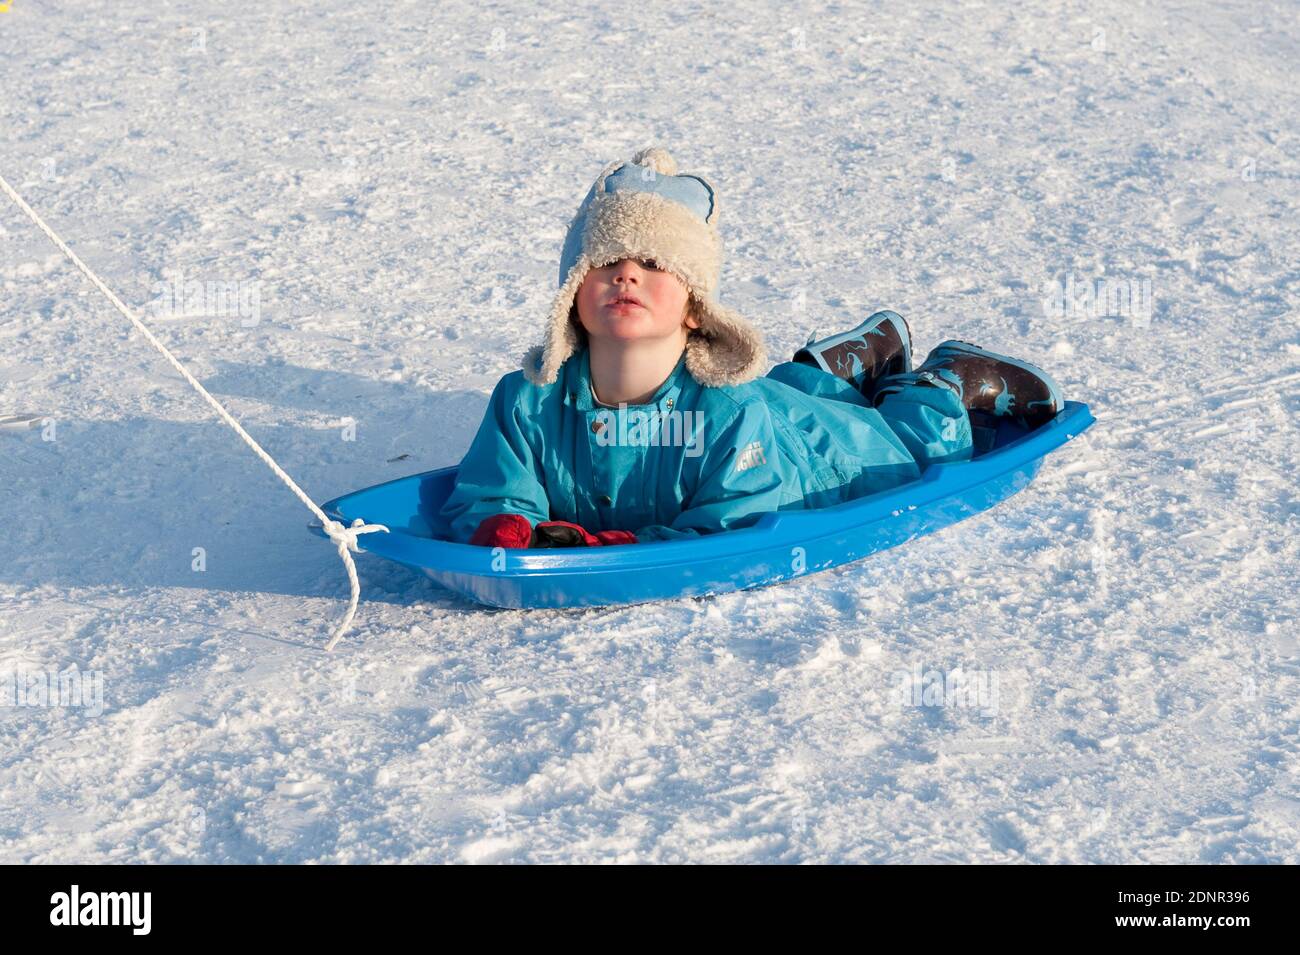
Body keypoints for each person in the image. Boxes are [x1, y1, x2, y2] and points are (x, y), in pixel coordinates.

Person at [431, 147, 1061, 548]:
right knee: (787, 395)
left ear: (696, 307)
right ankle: (831, 371)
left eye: (654, 264)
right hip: (773, 405)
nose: (626, 275)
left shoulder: (729, 416)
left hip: (813, 455)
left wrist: (622, 546)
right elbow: (492, 490)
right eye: (606, 261)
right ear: (572, 291)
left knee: (898, 448)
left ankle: (939, 383)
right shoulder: (526, 400)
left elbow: (737, 525)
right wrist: (502, 525)